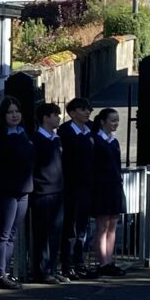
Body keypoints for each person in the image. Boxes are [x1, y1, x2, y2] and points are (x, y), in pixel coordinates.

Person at [0, 96, 34, 289]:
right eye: (10, 112)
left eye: (17, 111)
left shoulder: (24, 133)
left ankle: (6, 271)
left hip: (24, 190)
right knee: (2, 234)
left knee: (12, 234)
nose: (14, 115)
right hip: (5, 191)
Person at [29, 102, 66, 284]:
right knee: (42, 233)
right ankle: (41, 270)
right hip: (43, 192)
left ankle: (52, 267)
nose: (58, 118)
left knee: (55, 231)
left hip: (58, 190)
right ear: (45, 118)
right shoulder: (36, 140)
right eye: (55, 115)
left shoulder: (56, 138)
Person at [60, 96, 96, 278]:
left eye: (88, 109)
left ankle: (79, 261)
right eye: (83, 109)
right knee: (70, 227)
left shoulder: (90, 129)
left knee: (83, 226)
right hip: (71, 186)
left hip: (86, 185)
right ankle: (67, 264)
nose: (87, 112)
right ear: (72, 113)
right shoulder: (65, 131)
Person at [88, 107, 127, 274]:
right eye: (112, 120)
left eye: (117, 120)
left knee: (113, 224)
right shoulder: (95, 140)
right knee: (102, 225)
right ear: (102, 121)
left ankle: (109, 260)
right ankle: (102, 261)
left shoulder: (114, 141)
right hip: (101, 187)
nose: (115, 123)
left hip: (114, 186)